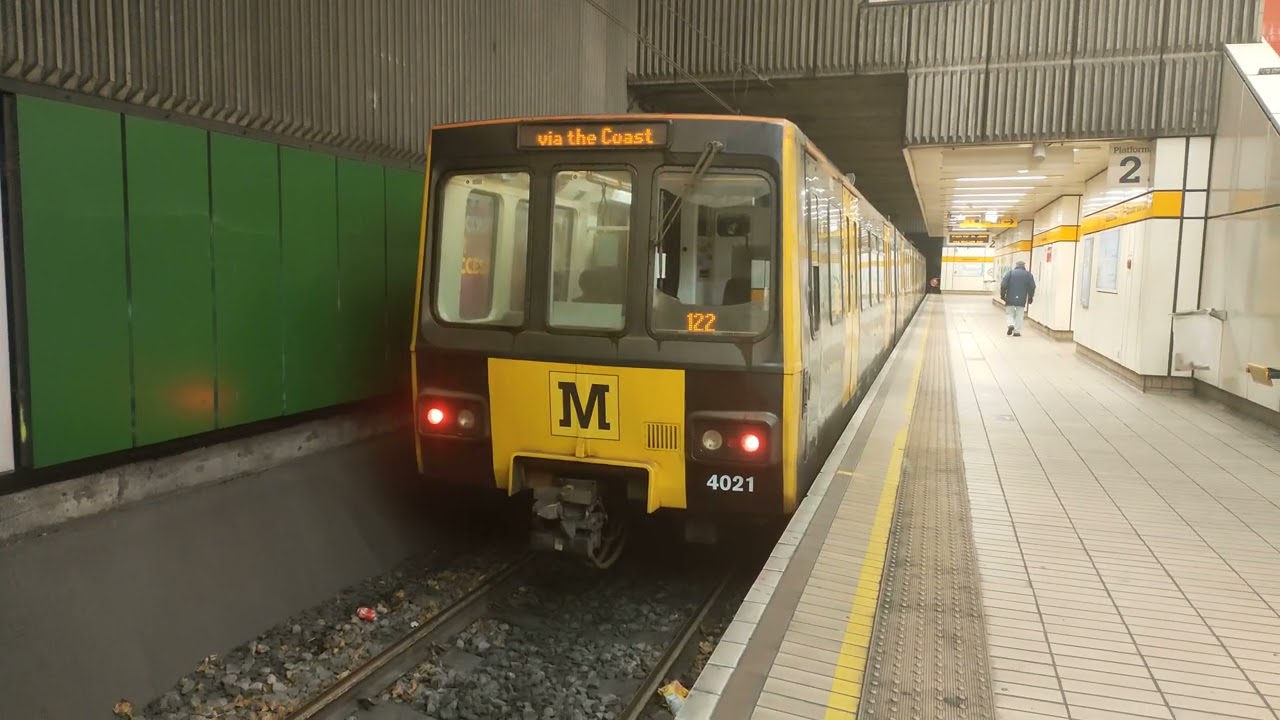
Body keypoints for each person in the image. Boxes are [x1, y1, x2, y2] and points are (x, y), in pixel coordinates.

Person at [999, 260, 1036, 337]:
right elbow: (1032, 287)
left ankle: (1010, 324)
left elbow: (1003, 285)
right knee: (1019, 315)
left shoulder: (1010, 273)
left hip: (1010, 298)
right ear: (1024, 266)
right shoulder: (1028, 275)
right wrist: (1031, 297)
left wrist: (1003, 295)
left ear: (1016, 265)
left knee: (1009, 313)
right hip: (1021, 299)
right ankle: (1017, 332)